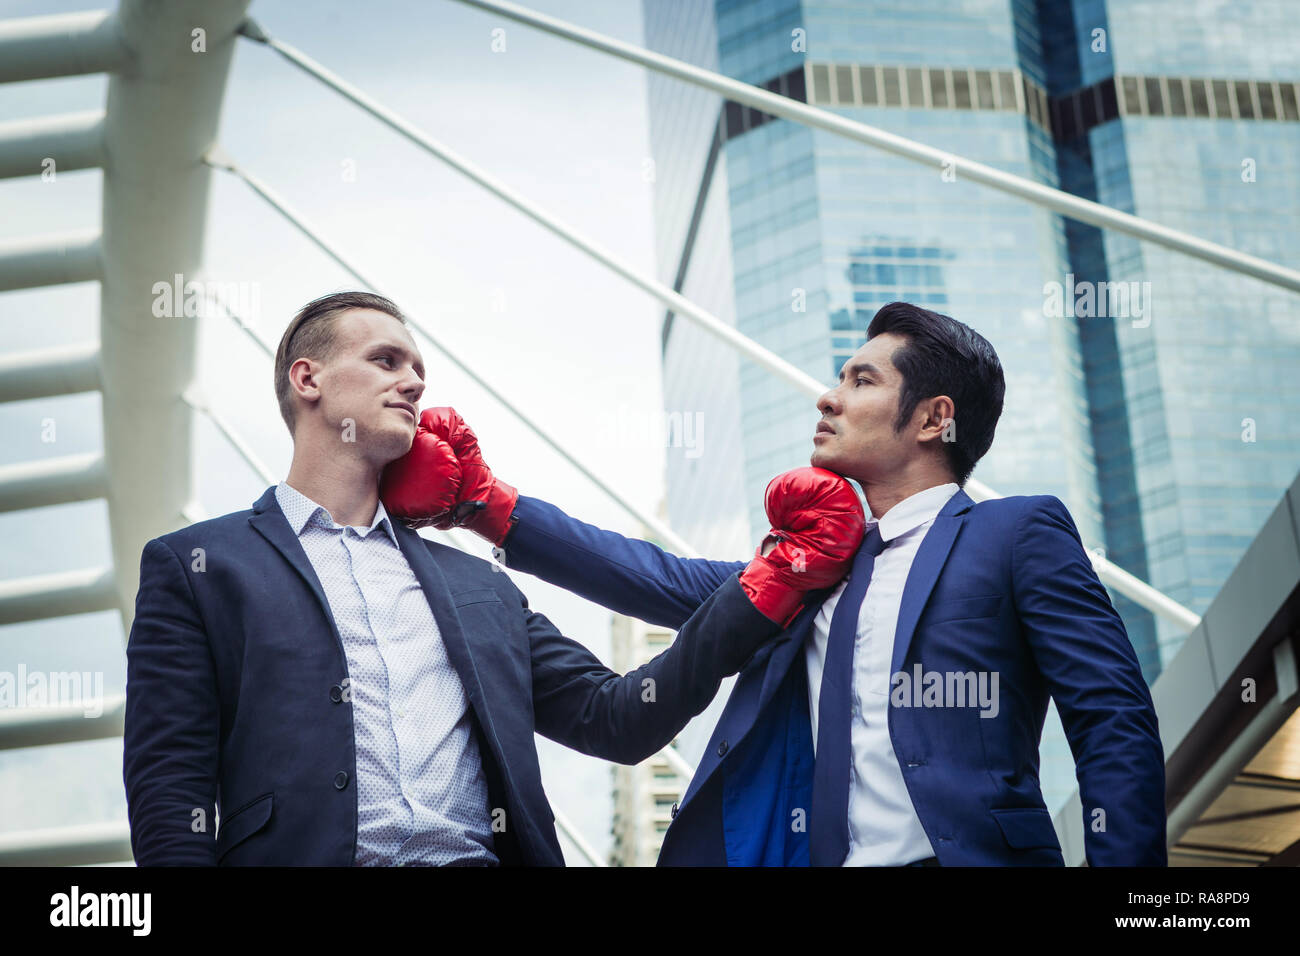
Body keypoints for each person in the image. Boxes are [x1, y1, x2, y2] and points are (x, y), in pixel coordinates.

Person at [382, 301, 1168, 866]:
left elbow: (1112, 718)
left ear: (933, 420)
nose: (828, 396)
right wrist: (487, 507)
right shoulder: (813, 568)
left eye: (861, 381)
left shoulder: (1015, 534)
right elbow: (653, 575)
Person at [122, 290, 864, 866]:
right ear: (307, 378)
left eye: (419, 370)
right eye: (386, 361)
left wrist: (766, 588)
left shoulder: (477, 587)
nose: (413, 382)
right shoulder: (200, 567)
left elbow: (619, 717)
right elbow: (169, 793)